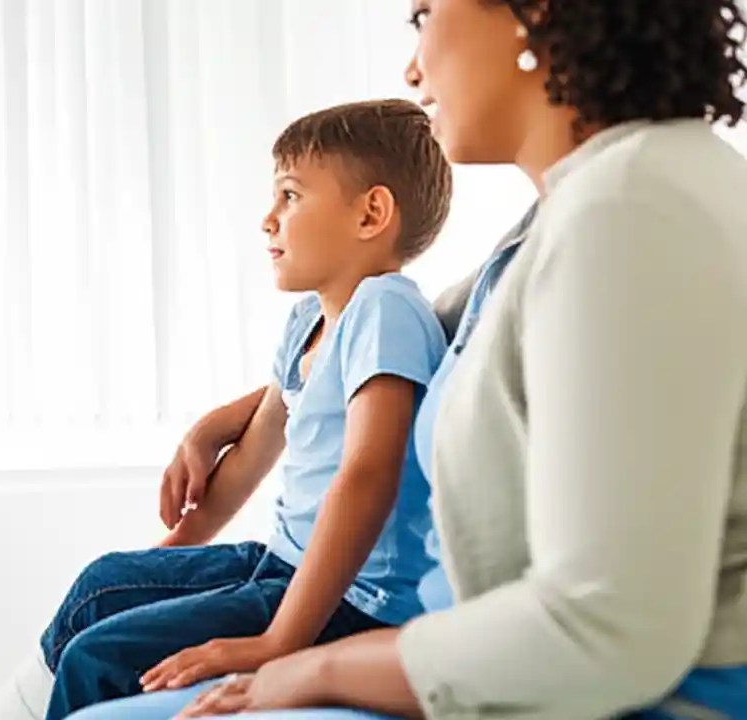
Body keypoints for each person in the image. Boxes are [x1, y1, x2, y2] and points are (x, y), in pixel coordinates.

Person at [75, 0, 747, 718]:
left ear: (534, 13)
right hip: (503, 664)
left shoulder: (625, 216)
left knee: (104, 696)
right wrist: (237, 415)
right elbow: (398, 348)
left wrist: (314, 668)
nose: (413, 66)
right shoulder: (586, 208)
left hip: (617, 697)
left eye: (424, 14)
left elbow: (611, 631)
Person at [0, 99, 454, 720]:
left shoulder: (386, 310)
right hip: (282, 563)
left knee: (100, 655)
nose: (268, 220)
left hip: (354, 601)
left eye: (290, 196)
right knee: (105, 585)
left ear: (371, 213)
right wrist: (175, 552)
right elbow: (258, 444)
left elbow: (368, 475)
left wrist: (279, 642)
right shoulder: (312, 318)